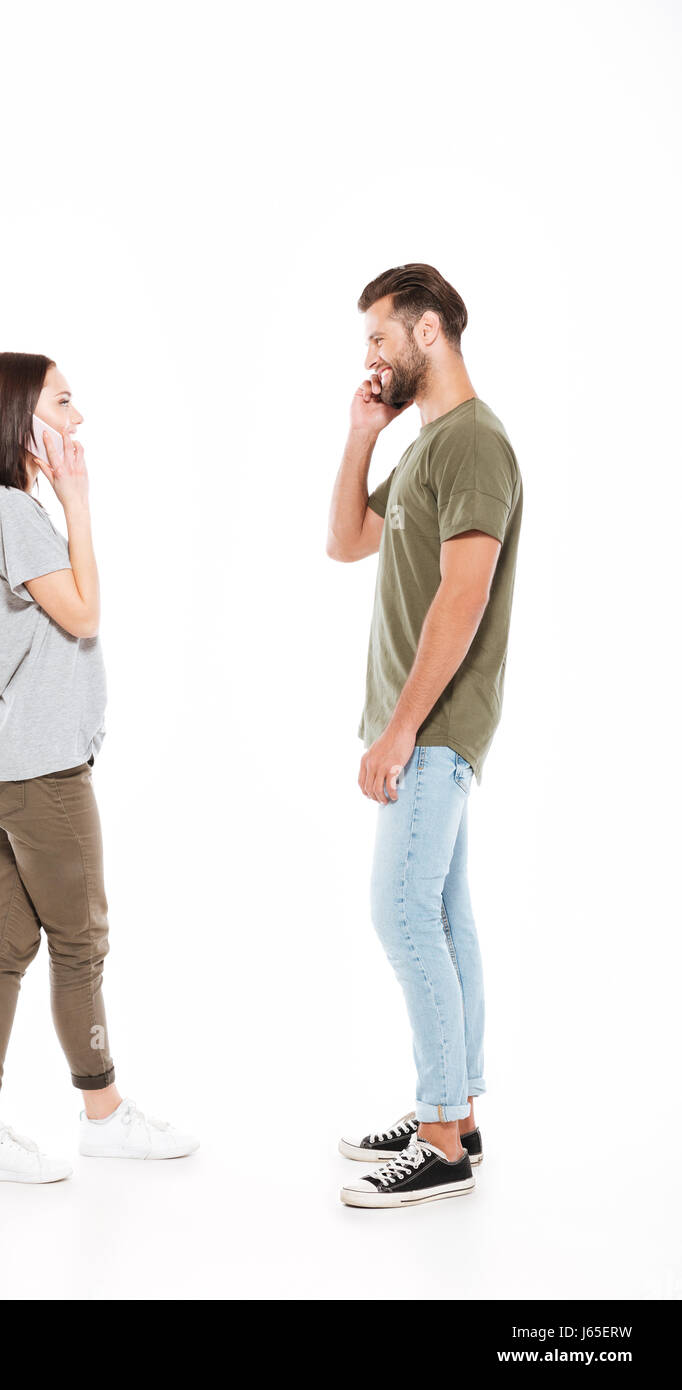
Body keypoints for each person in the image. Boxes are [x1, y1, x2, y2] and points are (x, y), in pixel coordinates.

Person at [0, 352, 198, 1182]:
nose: (79, 417)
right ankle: (104, 1114)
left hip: (12, 762)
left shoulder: (1, 510)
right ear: (24, 420)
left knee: (1, 949)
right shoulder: (17, 511)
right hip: (43, 772)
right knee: (80, 943)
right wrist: (79, 502)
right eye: (63, 401)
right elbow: (85, 615)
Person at [326, 265, 523, 1209]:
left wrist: (400, 732)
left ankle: (441, 1138)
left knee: (399, 912)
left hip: (436, 729)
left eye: (380, 337)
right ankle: (457, 1109)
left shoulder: (476, 443)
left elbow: (465, 592)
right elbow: (347, 540)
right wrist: (363, 435)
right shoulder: (427, 444)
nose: (371, 355)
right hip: (425, 729)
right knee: (444, 917)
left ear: (431, 331)